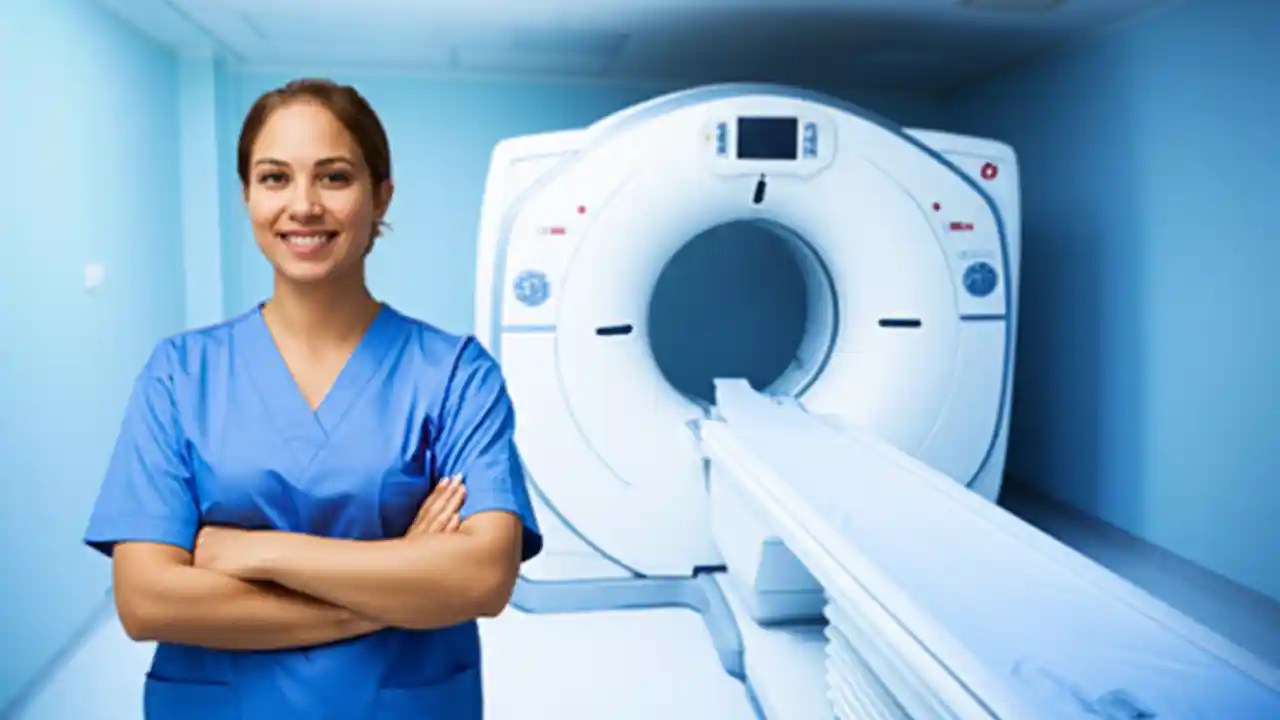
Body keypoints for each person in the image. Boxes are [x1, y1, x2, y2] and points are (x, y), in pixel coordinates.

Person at [83, 77, 543, 719]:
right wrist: (402, 574)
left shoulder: (455, 375)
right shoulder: (180, 375)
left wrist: (253, 552)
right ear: (246, 194)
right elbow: (147, 602)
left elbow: (482, 580)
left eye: (334, 177)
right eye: (274, 178)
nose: (303, 205)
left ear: (380, 197)